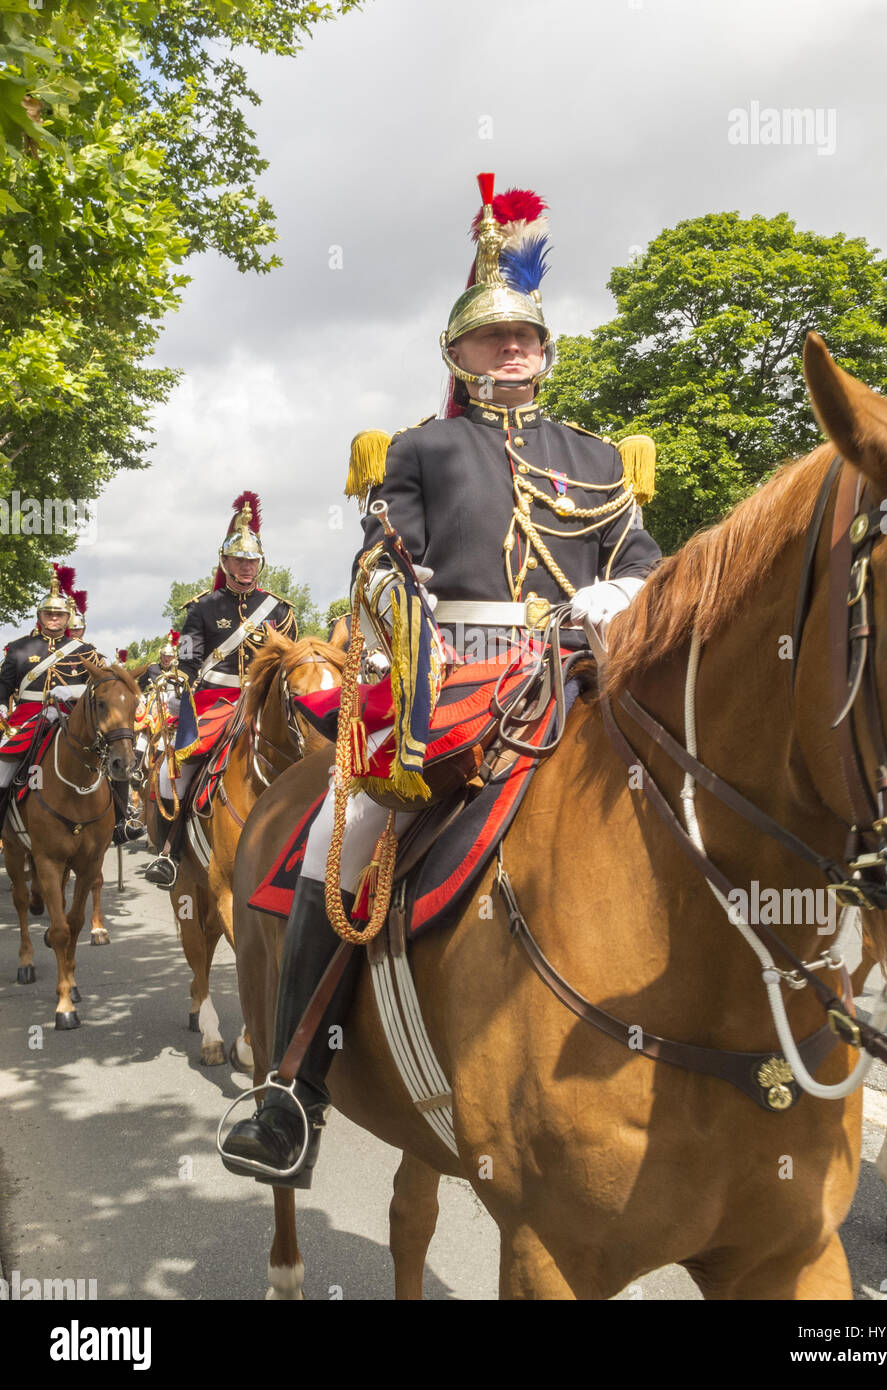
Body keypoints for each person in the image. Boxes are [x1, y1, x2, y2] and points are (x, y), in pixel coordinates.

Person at [222, 175, 662, 1186]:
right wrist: (405, 616)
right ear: (457, 354)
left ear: (548, 352)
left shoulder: (598, 458)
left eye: (528, 338)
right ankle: (294, 1087)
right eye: (493, 339)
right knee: (339, 852)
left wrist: (618, 601)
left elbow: (640, 556)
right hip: (454, 682)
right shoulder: (418, 450)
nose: (514, 351)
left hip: (590, 674)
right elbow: (380, 562)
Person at [144, 493, 298, 887]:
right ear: (224, 562)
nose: (246, 568)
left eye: (252, 561)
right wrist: (183, 687)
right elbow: (188, 663)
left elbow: (291, 663)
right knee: (169, 776)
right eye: (238, 561)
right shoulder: (202, 609)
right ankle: (170, 852)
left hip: (266, 703)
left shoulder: (279, 611)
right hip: (216, 702)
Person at [0, 567, 129, 837]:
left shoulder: (84, 651)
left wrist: (72, 692)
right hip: (27, 716)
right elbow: (3, 687)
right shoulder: (19, 648)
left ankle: (121, 822)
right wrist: (1, 705)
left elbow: (102, 685)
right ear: (40, 616)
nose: (54, 619)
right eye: (49, 614)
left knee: (114, 757)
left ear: (67, 617)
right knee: (2, 766)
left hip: (72, 716)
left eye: (59, 614)